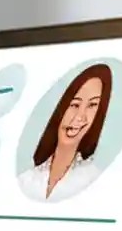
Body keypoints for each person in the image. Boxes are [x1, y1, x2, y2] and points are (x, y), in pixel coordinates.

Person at [16, 63, 112, 202]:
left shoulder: (95, 177)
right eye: (74, 105)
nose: (80, 117)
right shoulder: (26, 180)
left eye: (92, 105)